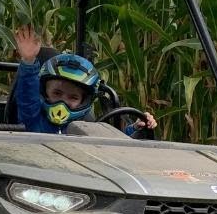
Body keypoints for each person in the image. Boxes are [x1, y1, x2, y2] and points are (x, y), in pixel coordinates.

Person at [13, 26, 156, 135]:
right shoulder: (33, 120)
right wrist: (29, 60)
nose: (62, 102)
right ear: (44, 91)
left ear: (84, 101)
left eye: (73, 97)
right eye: (57, 93)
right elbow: (27, 96)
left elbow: (110, 147)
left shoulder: (87, 128)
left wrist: (136, 128)